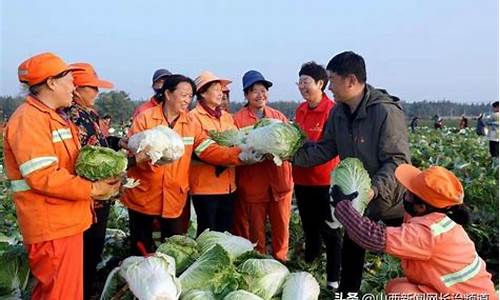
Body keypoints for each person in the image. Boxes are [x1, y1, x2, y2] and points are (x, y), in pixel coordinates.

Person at [3, 52, 120, 300]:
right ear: (51, 82)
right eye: (69, 80)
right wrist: (92, 189)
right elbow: (42, 176)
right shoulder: (30, 119)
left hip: (67, 221)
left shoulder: (55, 118)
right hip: (51, 225)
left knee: (67, 293)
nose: (74, 87)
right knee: (59, 294)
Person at [293, 51, 411, 293]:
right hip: (359, 198)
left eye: (332, 80)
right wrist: (289, 154)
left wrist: (372, 190)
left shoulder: (385, 111)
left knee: (407, 258)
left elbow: (397, 161)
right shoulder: (338, 113)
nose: (329, 86)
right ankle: (347, 296)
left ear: (351, 80)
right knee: (352, 252)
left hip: (391, 199)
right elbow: (325, 148)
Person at [121, 74, 253, 256]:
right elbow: (133, 152)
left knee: (174, 252)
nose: (187, 100)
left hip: (174, 198)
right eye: (183, 95)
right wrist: (146, 156)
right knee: (140, 248)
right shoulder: (145, 119)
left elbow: (208, 150)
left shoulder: (190, 123)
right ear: (168, 94)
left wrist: (241, 155)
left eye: (190, 96)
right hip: (144, 195)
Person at [331, 164, 497, 297]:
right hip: (468, 292)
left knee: (400, 294)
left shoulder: (426, 233)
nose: (405, 195)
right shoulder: (441, 222)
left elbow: (372, 237)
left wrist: (343, 206)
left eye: (409, 193)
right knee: (396, 287)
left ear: (420, 207)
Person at [63, 63, 116, 300]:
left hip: (101, 195)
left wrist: (119, 144)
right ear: (76, 88)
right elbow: (85, 157)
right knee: (85, 253)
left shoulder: (90, 113)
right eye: (92, 88)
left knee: (94, 250)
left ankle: (87, 290)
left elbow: (101, 144)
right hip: (88, 197)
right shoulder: (71, 116)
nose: (97, 93)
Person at [232, 70, 293, 262]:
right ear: (246, 95)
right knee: (255, 230)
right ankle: (259, 264)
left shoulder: (278, 117)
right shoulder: (237, 120)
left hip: (279, 183)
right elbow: (235, 149)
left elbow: (291, 145)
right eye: (255, 91)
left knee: (281, 228)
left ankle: (281, 261)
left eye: (263, 90)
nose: (261, 95)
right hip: (253, 185)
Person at [292, 61, 341, 290]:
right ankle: (311, 268)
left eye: (306, 81)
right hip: (302, 181)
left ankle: (333, 280)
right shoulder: (300, 110)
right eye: (300, 81)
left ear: (321, 83)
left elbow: (327, 146)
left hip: (325, 181)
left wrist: (304, 150)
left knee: (331, 231)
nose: (302, 86)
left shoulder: (332, 110)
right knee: (309, 227)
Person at [189, 71, 237, 236]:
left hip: (229, 186)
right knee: (207, 235)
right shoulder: (193, 118)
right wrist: (239, 155)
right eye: (216, 89)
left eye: (221, 90)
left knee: (225, 234)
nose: (220, 93)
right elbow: (204, 150)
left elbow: (236, 141)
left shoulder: (227, 117)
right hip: (205, 188)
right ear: (202, 92)